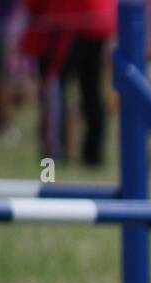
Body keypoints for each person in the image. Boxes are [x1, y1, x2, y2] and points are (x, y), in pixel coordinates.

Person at [20, 0, 115, 166]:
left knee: (54, 85)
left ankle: (52, 156)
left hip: (66, 20)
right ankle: (92, 156)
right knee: (91, 91)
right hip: (98, 20)